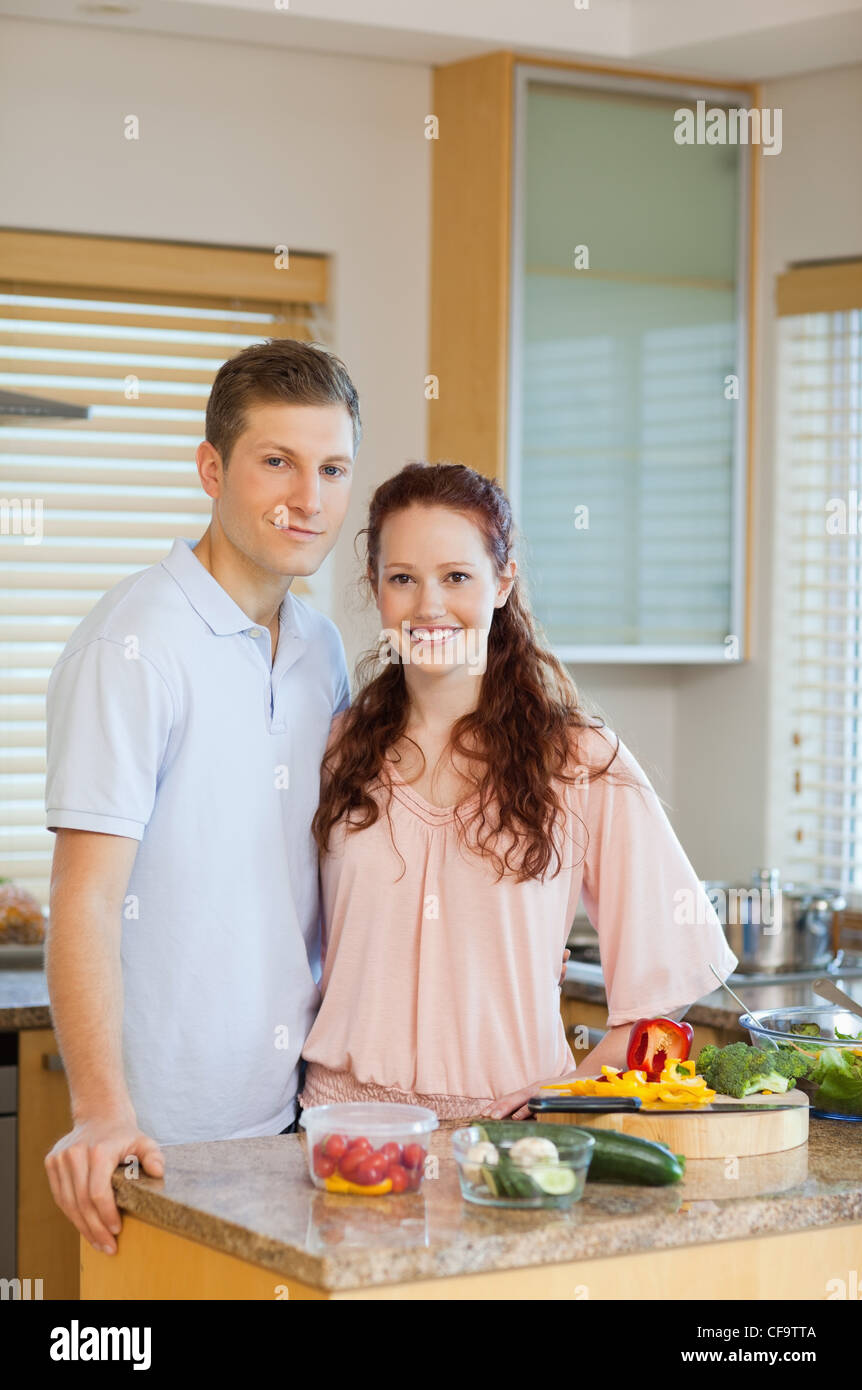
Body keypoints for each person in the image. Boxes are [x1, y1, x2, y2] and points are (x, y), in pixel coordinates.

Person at [42, 339, 360, 1257]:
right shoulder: (133, 645)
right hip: (160, 1139)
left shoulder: (320, 648)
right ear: (211, 469)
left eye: (332, 469)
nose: (309, 498)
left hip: (294, 1116)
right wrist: (103, 1114)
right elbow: (86, 895)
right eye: (278, 463)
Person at [299, 462, 738, 1121]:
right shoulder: (333, 750)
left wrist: (555, 1102)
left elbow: (663, 985)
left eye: (456, 576)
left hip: (507, 1145)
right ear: (375, 587)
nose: (428, 606)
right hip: (343, 1132)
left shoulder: (578, 759)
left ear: (502, 581)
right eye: (402, 579)